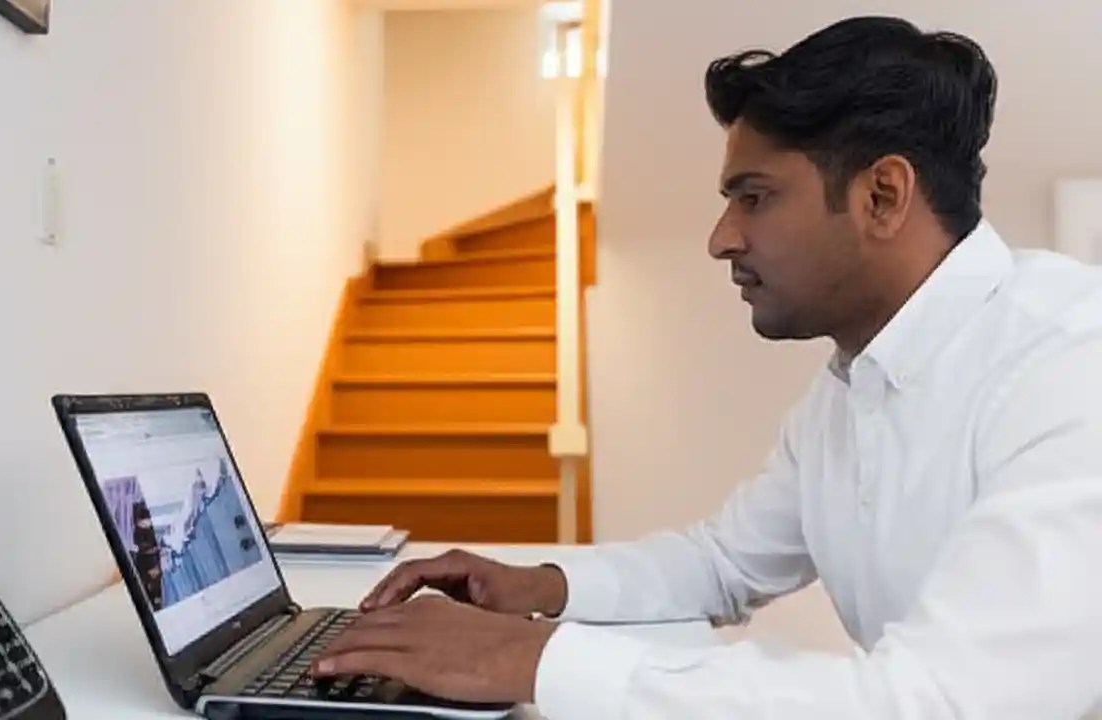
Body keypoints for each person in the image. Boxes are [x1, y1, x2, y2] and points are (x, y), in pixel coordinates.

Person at [311, 15, 1102, 719]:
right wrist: (537, 586)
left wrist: (533, 659)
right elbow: (722, 562)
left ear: (883, 196)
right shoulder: (850, 389)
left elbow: (940, 703)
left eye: (753, 197)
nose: (722, 238)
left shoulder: (1069, 365)